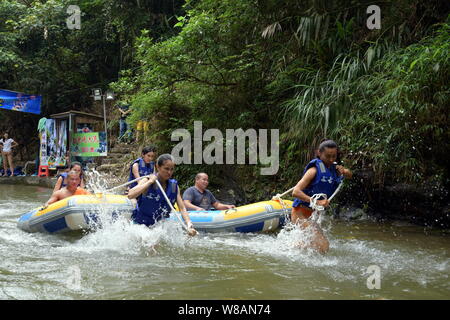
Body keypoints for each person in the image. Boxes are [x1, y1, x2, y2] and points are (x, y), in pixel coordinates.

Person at [291, 139, 352, 254]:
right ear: (319, 153)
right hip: (300, 213)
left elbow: (350, 175)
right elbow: (295, 192)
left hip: (313, 216)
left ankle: (291, 253)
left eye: (334, 156)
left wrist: (344, 171)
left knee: (311, 245)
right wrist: (316, 202)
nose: (331, 159)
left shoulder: (334, 170)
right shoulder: (313, 170)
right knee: (323, 246)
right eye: (328, 156)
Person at [127, 154, 197, 236]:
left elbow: (182, 208)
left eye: (172, 169)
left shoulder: (174, 187)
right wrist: (150, 182)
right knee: (150, 241)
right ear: (158, 167)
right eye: (166, 169)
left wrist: (189, 224)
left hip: (158, 227)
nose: (169, 172)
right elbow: (130, 195)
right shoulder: (146, 180)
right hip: (140, 225)